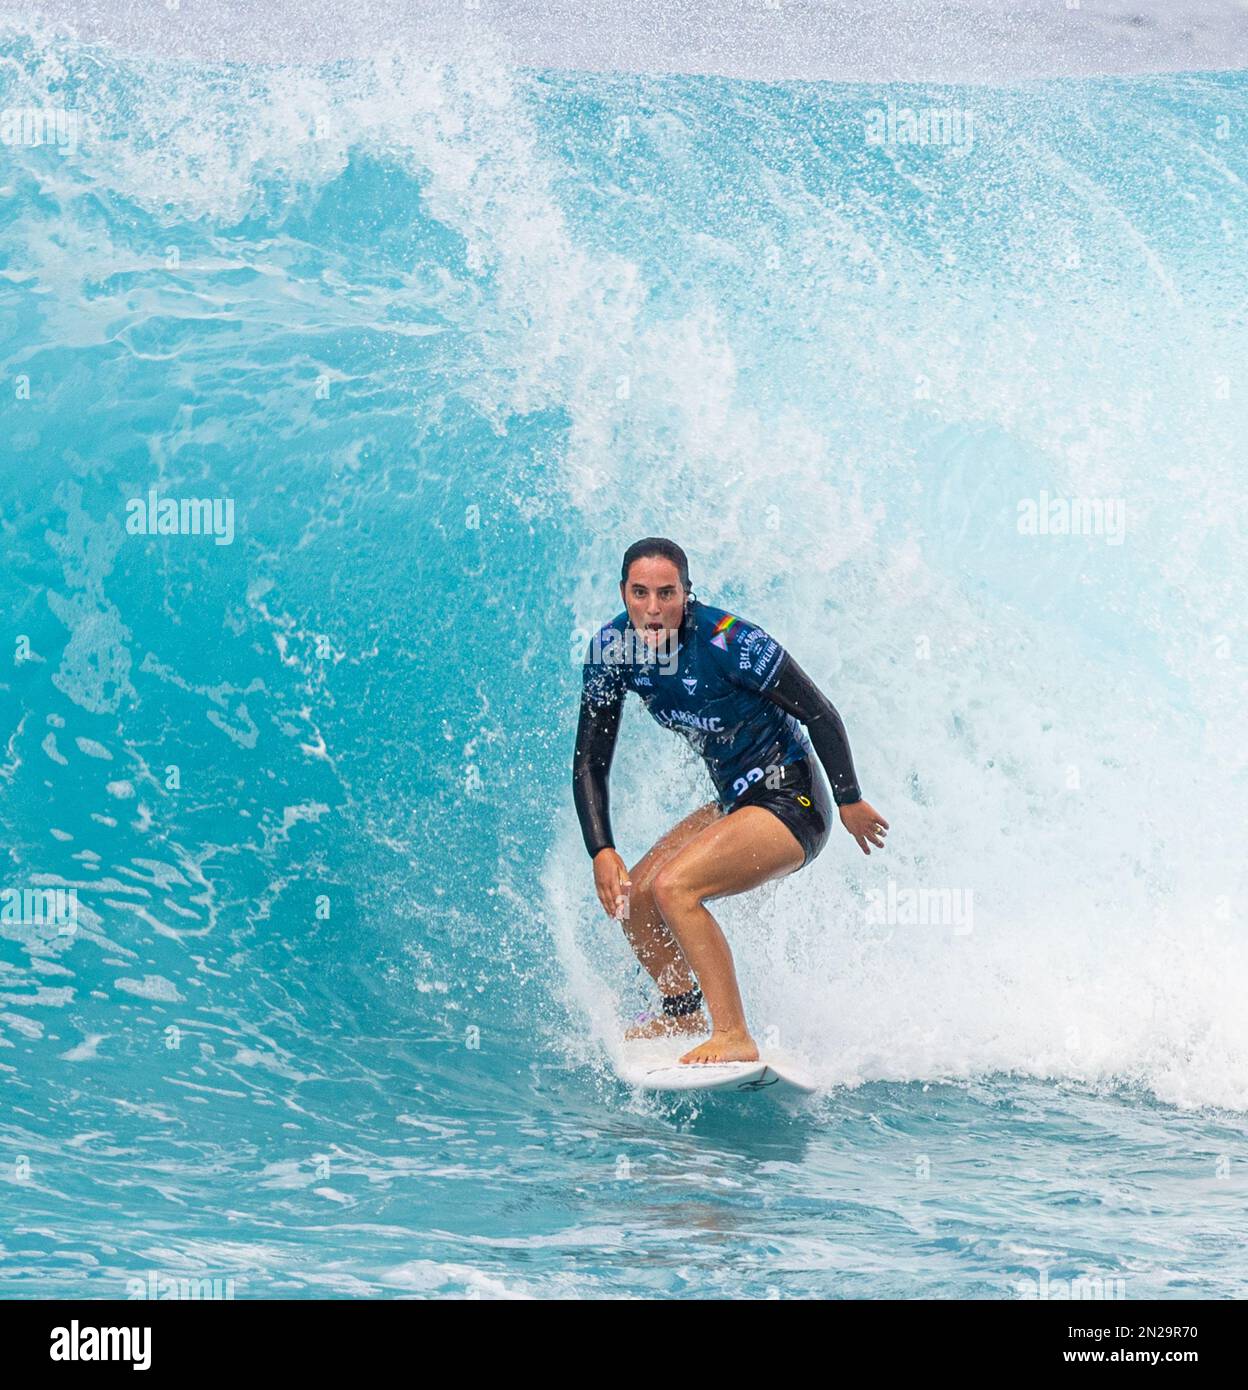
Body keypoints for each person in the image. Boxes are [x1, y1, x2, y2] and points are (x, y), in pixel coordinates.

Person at [573, 537, 888, 1066]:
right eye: (640, 593)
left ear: (687, 592)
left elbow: (820, 712)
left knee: (676, 888)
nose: (653, 609)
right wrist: (600, 848)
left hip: (793, 801)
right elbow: (590, 762)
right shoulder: (613, 650)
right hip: (734, 803)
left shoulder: (729, 641)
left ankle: (734, 1034)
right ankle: (682, 1012)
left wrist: (850, 798)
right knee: (638, 895)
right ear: (623, 593)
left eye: (667, 594)